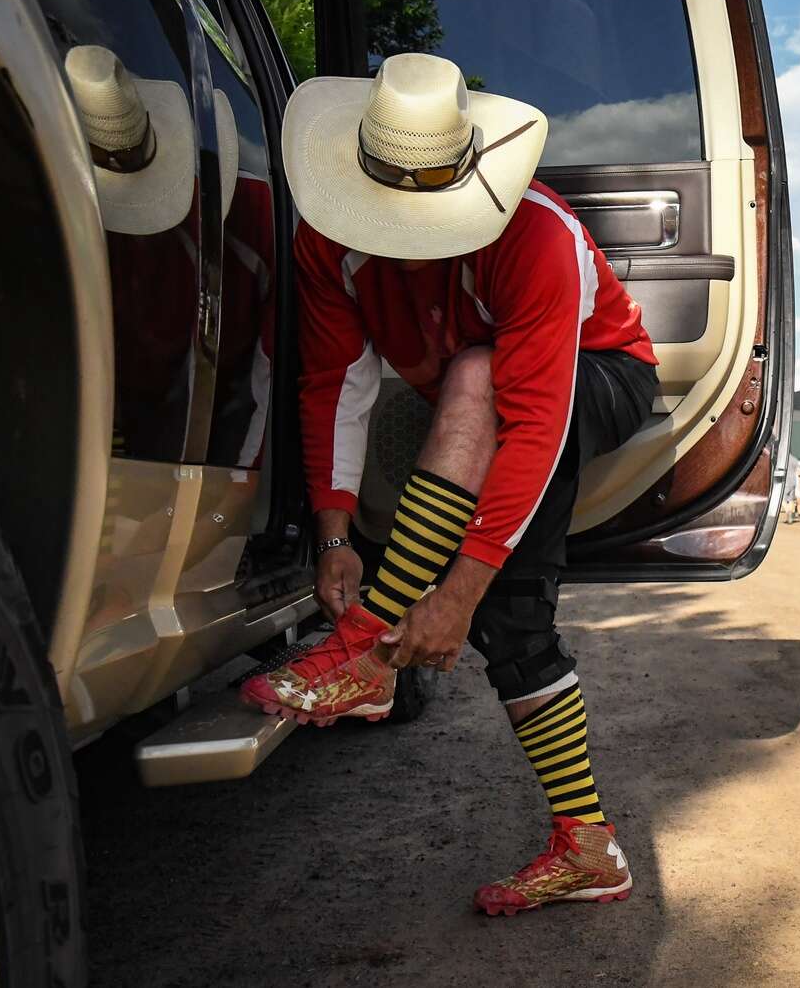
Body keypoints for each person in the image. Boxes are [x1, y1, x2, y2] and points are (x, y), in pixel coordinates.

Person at [240, 54, 657, 916]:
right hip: (484, 404)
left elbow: (534, 425)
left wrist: (454, 593)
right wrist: (332, 534)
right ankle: (588, 849)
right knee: (514, 618)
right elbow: (336, 384)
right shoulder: (328, 237)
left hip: (601, 373)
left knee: (476, 381)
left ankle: (364, 647)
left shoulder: (535, 232)